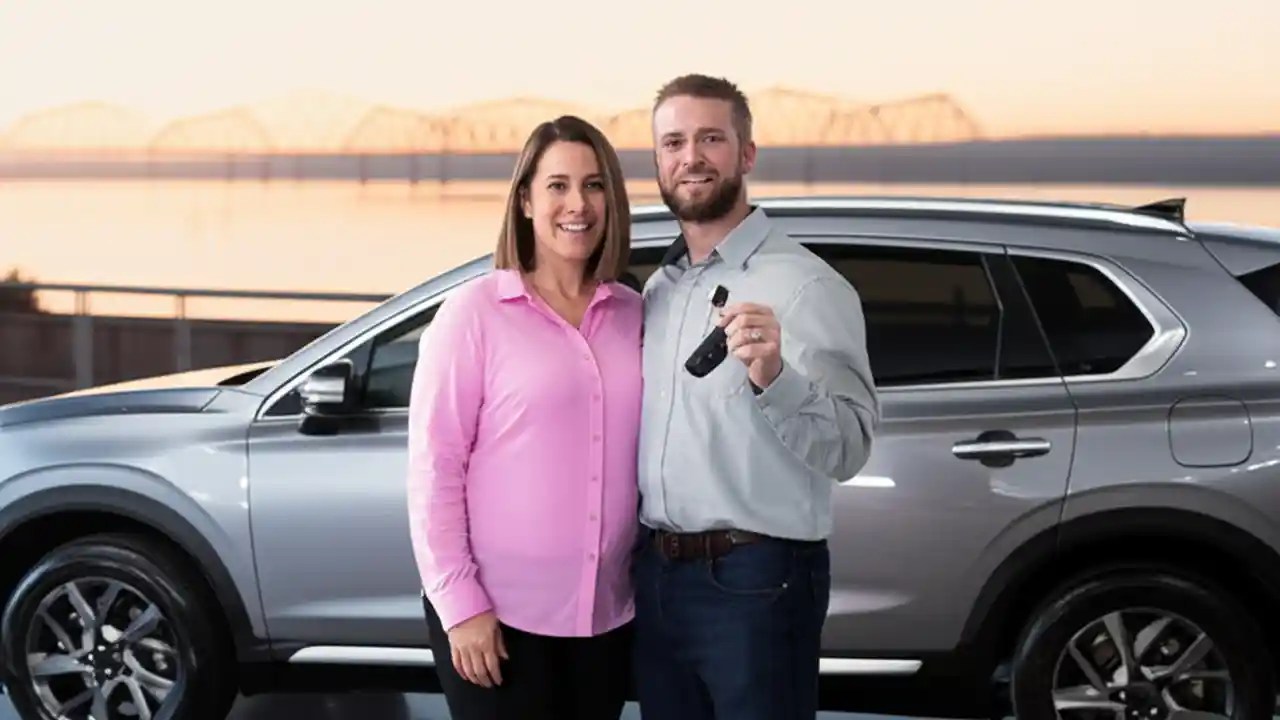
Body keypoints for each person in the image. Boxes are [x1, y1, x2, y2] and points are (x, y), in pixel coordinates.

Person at [631, 74, 881, 719]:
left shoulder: (806, 287)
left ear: (746, 155)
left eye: (711, 138)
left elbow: (849, 448)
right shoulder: (659, 291)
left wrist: (774, 373)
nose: (692, 157)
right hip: (657, 576)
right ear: (657, 161)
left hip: (756, 580)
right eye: (674, 142)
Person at [406, 114, 641, 720]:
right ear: (526, 200)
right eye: (558, 185)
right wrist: (461, 606)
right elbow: (435, 468)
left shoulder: (636, 316)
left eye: (594, 185)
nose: (577, 204)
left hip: (606, 622)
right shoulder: (474, 314)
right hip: (497, 624)